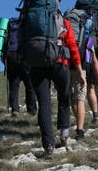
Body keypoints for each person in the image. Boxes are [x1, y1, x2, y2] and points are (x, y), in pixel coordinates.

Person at [30, 17, 85, 156]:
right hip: (60, 63)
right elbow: (72, 45)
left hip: (37, 64)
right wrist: (79, 70)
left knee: (44, 104)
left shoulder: (30, 18)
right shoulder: (62, 21)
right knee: (64, 98)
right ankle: (64, 134)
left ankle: (48, 144)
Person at [70, 34, 98, 139]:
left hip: (66, 66)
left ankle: (78, 122)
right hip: (82, 68)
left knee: (72, 98)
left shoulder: (66, 26)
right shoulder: (87, 37)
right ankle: (80, 130)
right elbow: (94, 60)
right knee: (80, 99)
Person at [1, 18, 37, 115]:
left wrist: (4, 59)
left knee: (13, 86)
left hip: (11, 57)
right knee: (30, 85)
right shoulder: (28, 25)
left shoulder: (10, 27)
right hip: (25, 58)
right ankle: (32, 109)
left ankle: (15, 109)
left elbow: (4, 44)